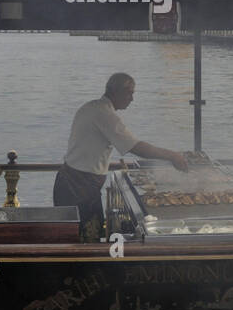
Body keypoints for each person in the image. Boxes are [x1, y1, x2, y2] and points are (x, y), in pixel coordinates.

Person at [55, 72, 190, 241]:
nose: (132, 99)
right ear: (116, 91)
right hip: (79, 188)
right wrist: (172, 156)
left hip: (72, 182)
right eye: (130, 93)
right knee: (85, 241)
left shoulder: (92, 106)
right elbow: (136, 147)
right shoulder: (105, 114)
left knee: (76, 239)